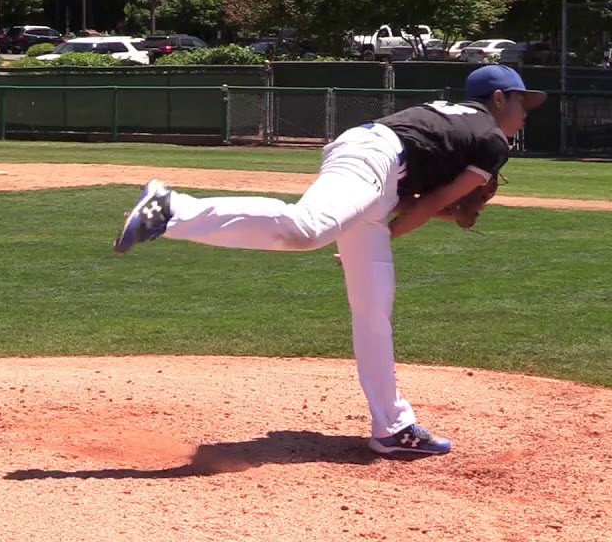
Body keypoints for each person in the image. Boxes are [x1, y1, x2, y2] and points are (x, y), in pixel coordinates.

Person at [112, 64, 546, 458]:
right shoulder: (490, 139)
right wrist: (406, 225)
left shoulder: (454, 119)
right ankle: (172, 209)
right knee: (307, 229)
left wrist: (380, 227)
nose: (526, 112)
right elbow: (432, 201)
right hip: (374, 161)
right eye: (521, 101)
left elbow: (415, 192)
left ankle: (392, 427)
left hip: (376, 166)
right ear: (497, 99)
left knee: (374, 307)